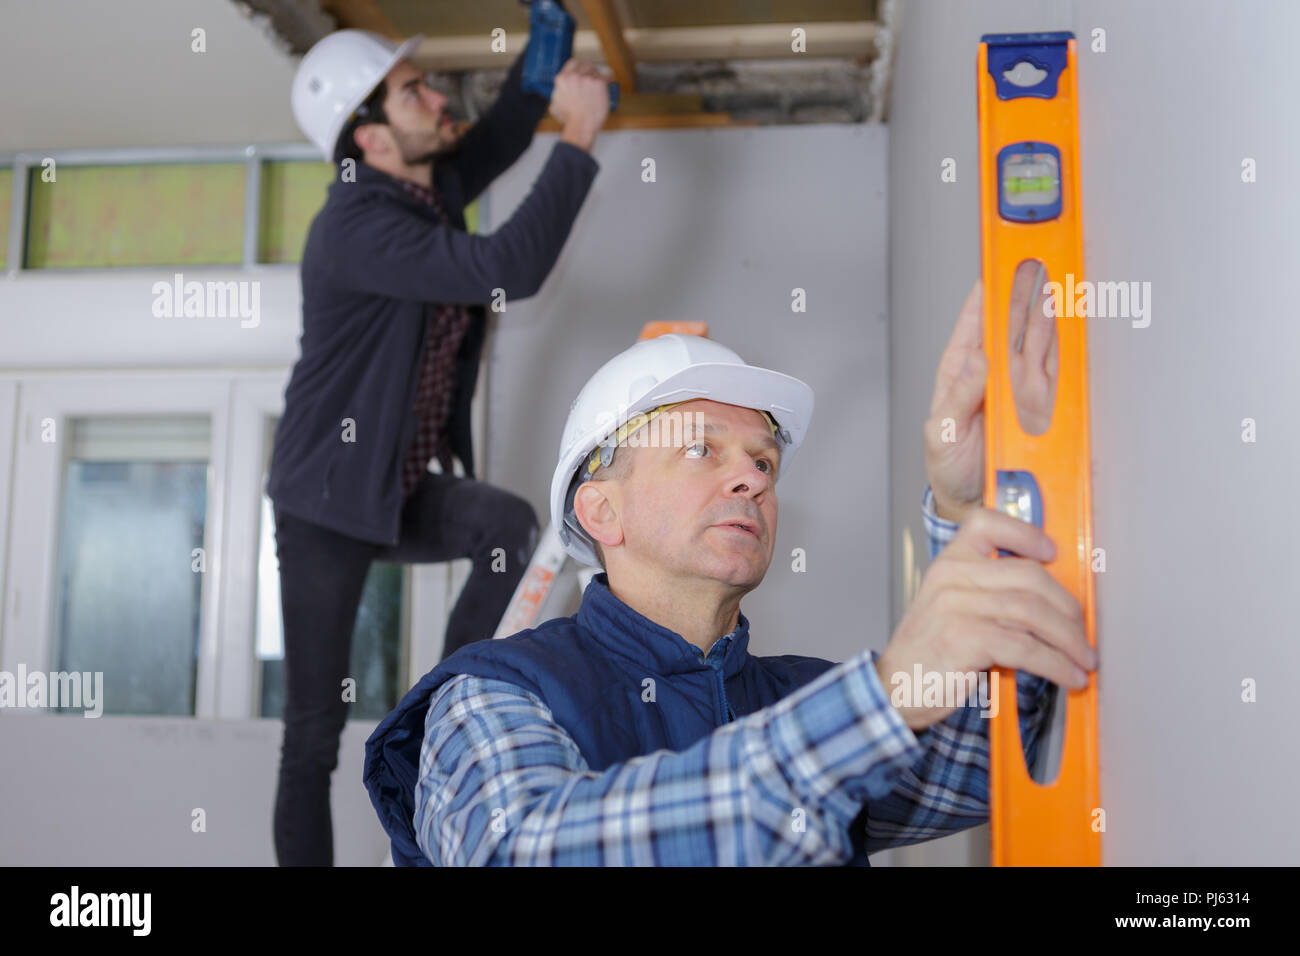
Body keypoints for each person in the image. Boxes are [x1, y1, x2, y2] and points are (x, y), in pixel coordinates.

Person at [363, 283, 1097, 865]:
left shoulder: (801, 697)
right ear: (601, 512)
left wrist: (970, 509)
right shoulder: (491, 696)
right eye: (700, 449)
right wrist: (879, 700)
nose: (751, 478)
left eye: (763, 462)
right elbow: (525, 849)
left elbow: (987, 760)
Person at [265, 28, 610, 866]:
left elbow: (489, 140)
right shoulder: (356, 226)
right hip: (322, 500)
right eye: (413, 92)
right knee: (312, 733)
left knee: (505, 524)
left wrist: (542, 58)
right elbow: (508, 266)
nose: (436, 98)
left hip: (391, 484)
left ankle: (446, 710)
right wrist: (580, 132)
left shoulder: (421, 192)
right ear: (370, 135)